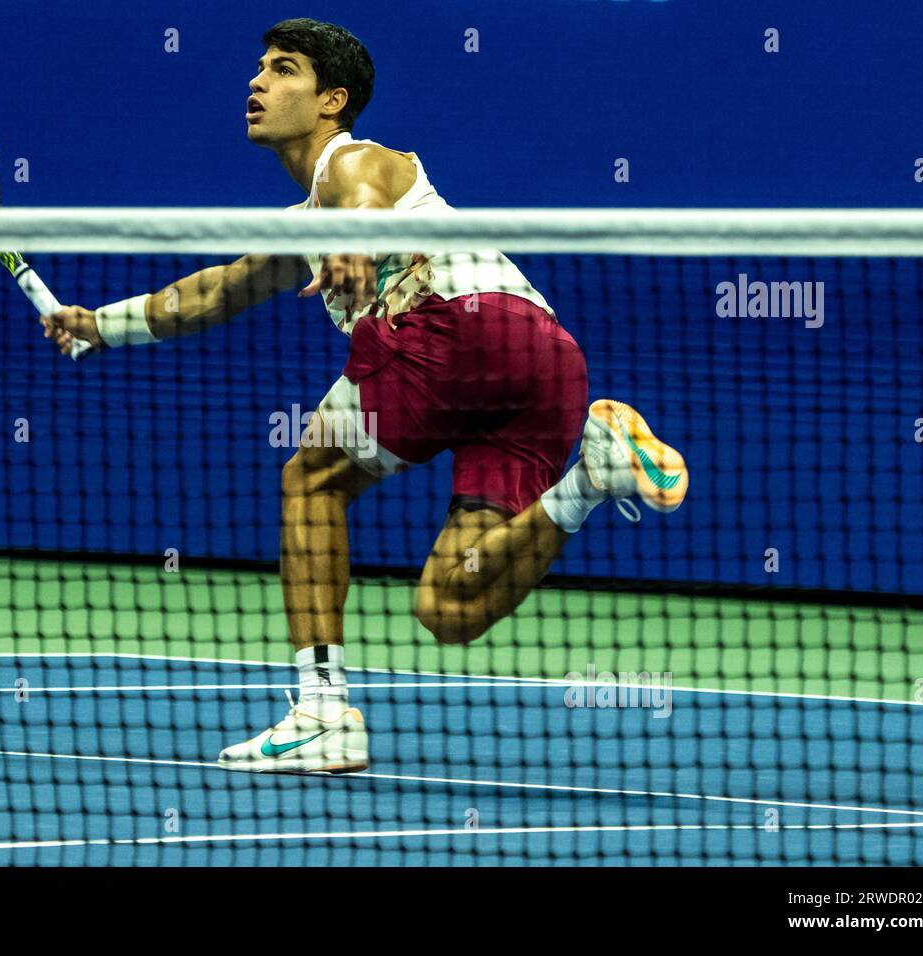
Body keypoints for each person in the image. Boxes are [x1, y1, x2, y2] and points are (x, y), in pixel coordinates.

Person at [40, 18, 689, 774]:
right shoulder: (306, 222)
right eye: (258, 68)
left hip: (453, 330)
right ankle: (590, 480)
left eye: (283, 70)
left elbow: (363, 193)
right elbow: (212, 293)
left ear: (331, 100)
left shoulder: (353, 163)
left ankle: (321, 713)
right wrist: (99, 327)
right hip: (544, 361)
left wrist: (354, 241)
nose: (257, 82)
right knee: (450, 606)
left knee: (310, 477)